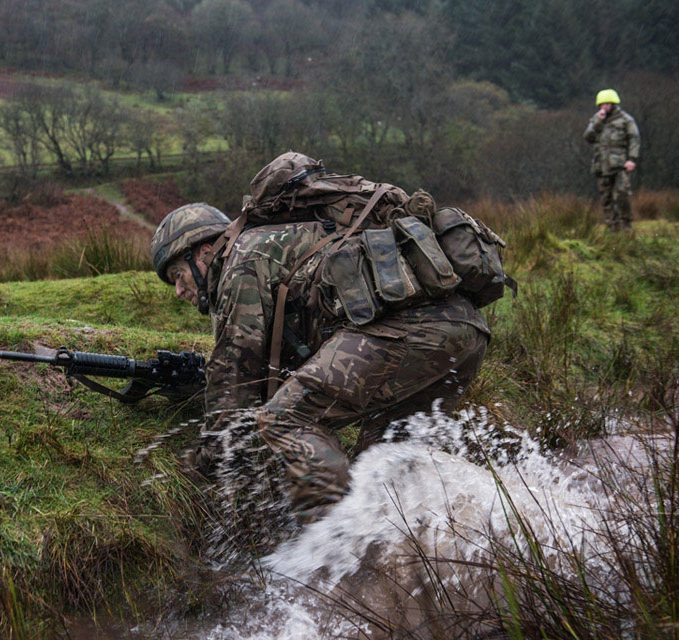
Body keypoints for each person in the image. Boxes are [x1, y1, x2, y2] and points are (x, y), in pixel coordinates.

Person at [150, 160, 490, 524]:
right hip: (464, 329)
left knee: (284, 421)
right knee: (382, 465)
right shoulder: (290, 240)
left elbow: (236, 382)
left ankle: (339, 544)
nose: (178, 290)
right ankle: (409, 551)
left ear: (201, 252)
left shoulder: (241, 261)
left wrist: (200, 463)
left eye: (178, 274)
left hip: (406, 333)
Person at [583, 89, 640, 231]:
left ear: (613, 104)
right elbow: (588, 137)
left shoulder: (625, 120)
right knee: (606, 198)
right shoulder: (596, 120)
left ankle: (626, 226)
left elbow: (634, 139)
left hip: (619, 165)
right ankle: (612, 228)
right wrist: (598, 121)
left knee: (622, 194)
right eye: (601, 105)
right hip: (601, 166)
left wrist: (632, 159)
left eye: (607, 104)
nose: (604, 107)